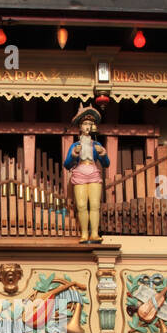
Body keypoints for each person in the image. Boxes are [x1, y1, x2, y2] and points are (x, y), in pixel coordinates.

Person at [64, 104, 109, 244]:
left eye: (90, 124)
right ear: (80, 127)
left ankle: (94, 233)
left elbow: (106, 164)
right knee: (82, 205)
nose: (88, 127)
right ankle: (84, 233)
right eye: (85, 124)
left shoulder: (96, 144)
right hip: (80, 173)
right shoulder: (75, 145)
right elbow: (67, 164)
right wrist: (73, 155)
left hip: (93, 172)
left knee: (95, 204)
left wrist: (103, 154)